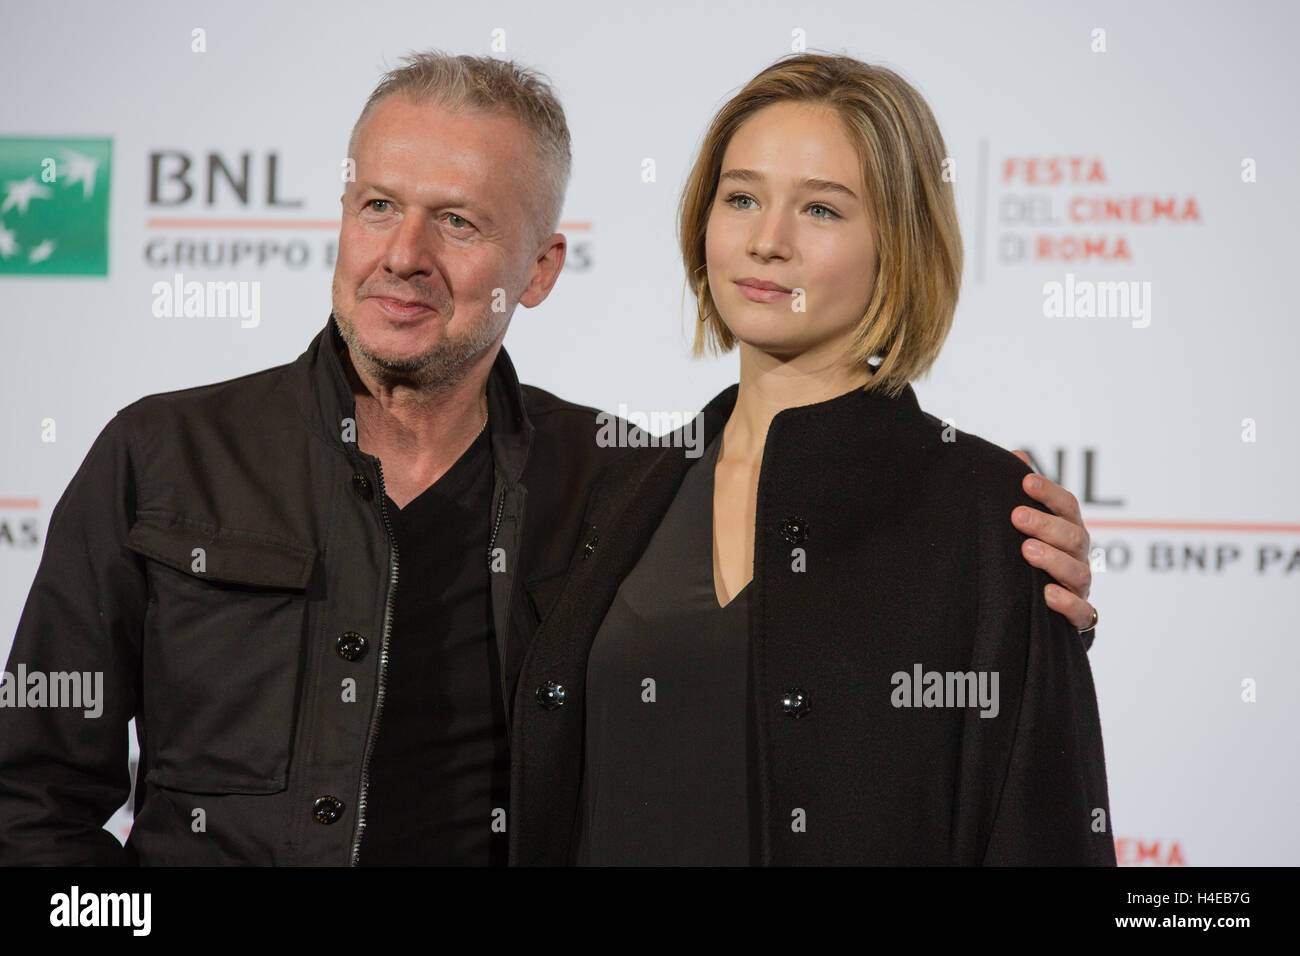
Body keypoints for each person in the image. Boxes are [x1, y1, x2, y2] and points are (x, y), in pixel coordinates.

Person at [0, 52, 1096, 866]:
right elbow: (29, 801)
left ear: (539, 268)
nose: (404, 256)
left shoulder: (608, 477)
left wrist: (1028, 607)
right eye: (377, 205)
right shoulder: (161, 453)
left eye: (461, 223)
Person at [508, 54, 1114, 866]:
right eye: (742, 197)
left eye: (822, 210)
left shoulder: (988, 509)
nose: (767, 241)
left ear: (898, 244)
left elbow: (1043, 832)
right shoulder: (619, 489)